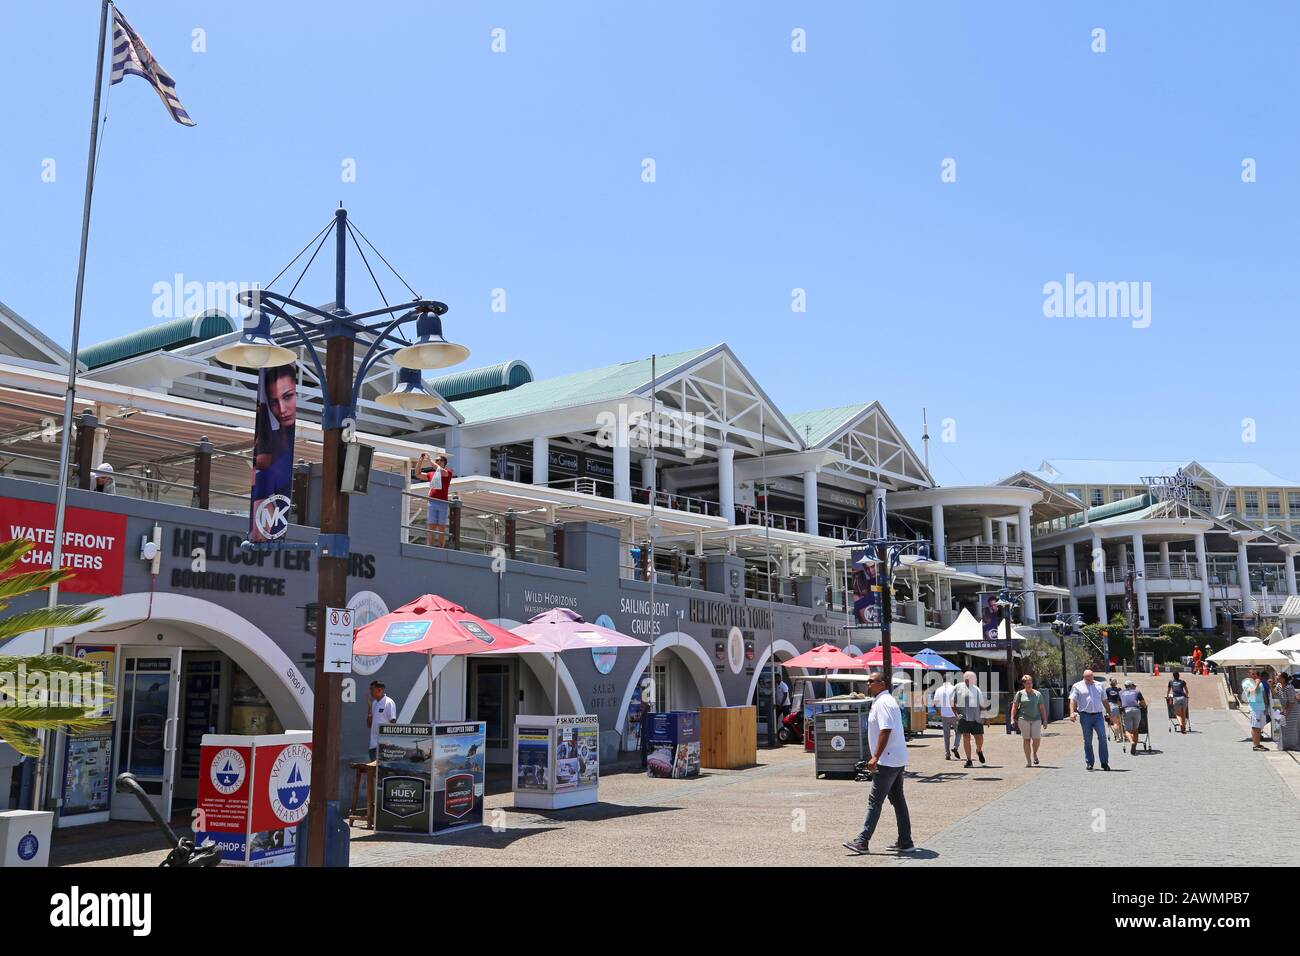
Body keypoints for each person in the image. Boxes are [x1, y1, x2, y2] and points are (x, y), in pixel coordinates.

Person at [842, 671, 913, 855]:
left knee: (875, 801)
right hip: (895, 758)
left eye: (871, 681)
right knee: (898, 800)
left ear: (882, 684)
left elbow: (886, 730)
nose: (868, 684)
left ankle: (862, 841)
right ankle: (905, 841)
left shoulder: (884, 703)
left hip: (887, 760)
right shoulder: (885, 701)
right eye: (868, 681)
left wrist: (875, 756)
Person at [1068, 669, 1111, 771]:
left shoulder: (1099, 685)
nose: (1088, 679)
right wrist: (1071, 712)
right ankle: (1089, 762)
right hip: (1085, 715)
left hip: (1098, 715)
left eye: (1090, 677)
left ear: (1093, 676)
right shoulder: (1077, 686)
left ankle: (1104, 762)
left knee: (1102, 738)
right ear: (1083, 677)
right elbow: (1072, 700)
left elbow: (1104, 700)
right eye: (1086, 677)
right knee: (1087, 740)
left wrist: (1109, 712)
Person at [418, 452, 454, 548]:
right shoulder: (431, 473)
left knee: (441, 527)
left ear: (444, 462)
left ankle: (441, 548)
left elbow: (440, 471)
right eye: (436, 460)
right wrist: (420, 460)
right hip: (432, 502)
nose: (437, 461)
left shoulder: (448, 472)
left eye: (439, 460)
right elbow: (418, 474)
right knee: (431, 526)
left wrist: (430, 460)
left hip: (443, 503)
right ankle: (429, 547)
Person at [1011, 674, 1047, 767]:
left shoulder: (1038, 694)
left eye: (1031, 683)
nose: (1030, 685)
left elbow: (1042, 708)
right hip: (1023, 719)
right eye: (1027, 683)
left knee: (1036, 739)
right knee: (1026, 740)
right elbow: (1014, 707)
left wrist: (1045, 720)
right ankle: (1028, 761)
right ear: (1024, 684)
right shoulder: (1020, 694)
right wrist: (1012, 719)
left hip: (1036, 719)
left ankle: (1034, 753)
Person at [953, 671, 985, 768]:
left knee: (979, 738)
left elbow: (982, 705)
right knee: (966, 738)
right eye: (970, 679)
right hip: (964, 718)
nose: (972, 681)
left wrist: (985, 717)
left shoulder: (977, 689)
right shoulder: (958, 687)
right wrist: (957, 714)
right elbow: (952, 702)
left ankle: (979, 750)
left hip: (976, 718)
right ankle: (969, 760)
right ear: (966, 680)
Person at [366, 680, 396, 761]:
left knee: (382, 771)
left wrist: (387, 743)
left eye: (372, 689)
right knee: (374, 771)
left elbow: (393, 723)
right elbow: (369, 725)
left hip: (384, 746)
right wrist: (369, 709)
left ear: (379, 690)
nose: (370, 692)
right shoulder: (374, 703)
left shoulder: (389, 702)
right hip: (373, 745)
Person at [1241, 669, 1269, 752]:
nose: (1255, 675)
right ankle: (1255, 745)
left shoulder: (1259, 683)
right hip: (1254, 707)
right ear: (1248, 674)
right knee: (1255, 726)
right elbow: (1252, 693)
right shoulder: (1246, 683)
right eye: (1253, 674)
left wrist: (1266, 707)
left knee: (1260, 727)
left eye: (1256, 674)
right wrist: (1257, 683)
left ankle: (1258, 743)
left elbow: (1264, 695)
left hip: (1262, 707)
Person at [933, 677, 960, 760]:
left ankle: (947, 753)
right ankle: (955, 746)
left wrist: (939, 713)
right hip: (953, 714)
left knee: (946, 736)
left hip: (944, 715)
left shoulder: (938, 689)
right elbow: (955, 703)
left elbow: (934, 705)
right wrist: (957, 713)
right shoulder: (954, 689)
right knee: (959, 732)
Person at [1119, 680, 1147, 755]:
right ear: (1131, 686)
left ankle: (1131, 741)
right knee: (1135, 730)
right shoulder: (1137, 692)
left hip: (1126, 710)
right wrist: (1143, 706)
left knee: (1127, 730)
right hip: (1136, 710)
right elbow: (1143, 703)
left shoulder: (1121, 692)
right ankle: (1134, 747)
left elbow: (1119, 703)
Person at [1276, 673, 1298, 752]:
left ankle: (1294, 745)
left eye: (1278, 676)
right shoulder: (1278, 686)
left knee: (1292, 728)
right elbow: (1274, 695)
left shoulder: (1289, 687)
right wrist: (1271, 686)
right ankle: (1285, 745)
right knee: (1283, 726)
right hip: (1285, 708)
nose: (1276, 677)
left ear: (1283, 678)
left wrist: (1286, 711)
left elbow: (1291, 701)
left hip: (1293, 710)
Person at [1166, 669, 1190, 733]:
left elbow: (1168, 691)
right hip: (1183, 698)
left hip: (1176, 698)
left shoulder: (1171, 682)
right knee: (1183, 714)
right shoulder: (1182, 681)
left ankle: (1181, 724)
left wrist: (1168, 696)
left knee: (1177, 714)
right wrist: (1186, 696)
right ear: (1179, 676)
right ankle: (1184, 727)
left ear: (1173, 676)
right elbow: (1187, 691)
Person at [1104, 677, 1124, 742]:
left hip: (1111, 706)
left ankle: (1117, 738)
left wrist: (1107, 710)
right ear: (1116, 683)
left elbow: (1106, 700)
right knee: (1119, 722)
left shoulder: (1107, 690)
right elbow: (1121, 699)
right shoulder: (1119, 690)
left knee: (1115, 722)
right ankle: (1121, 736)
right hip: (1118, 705)